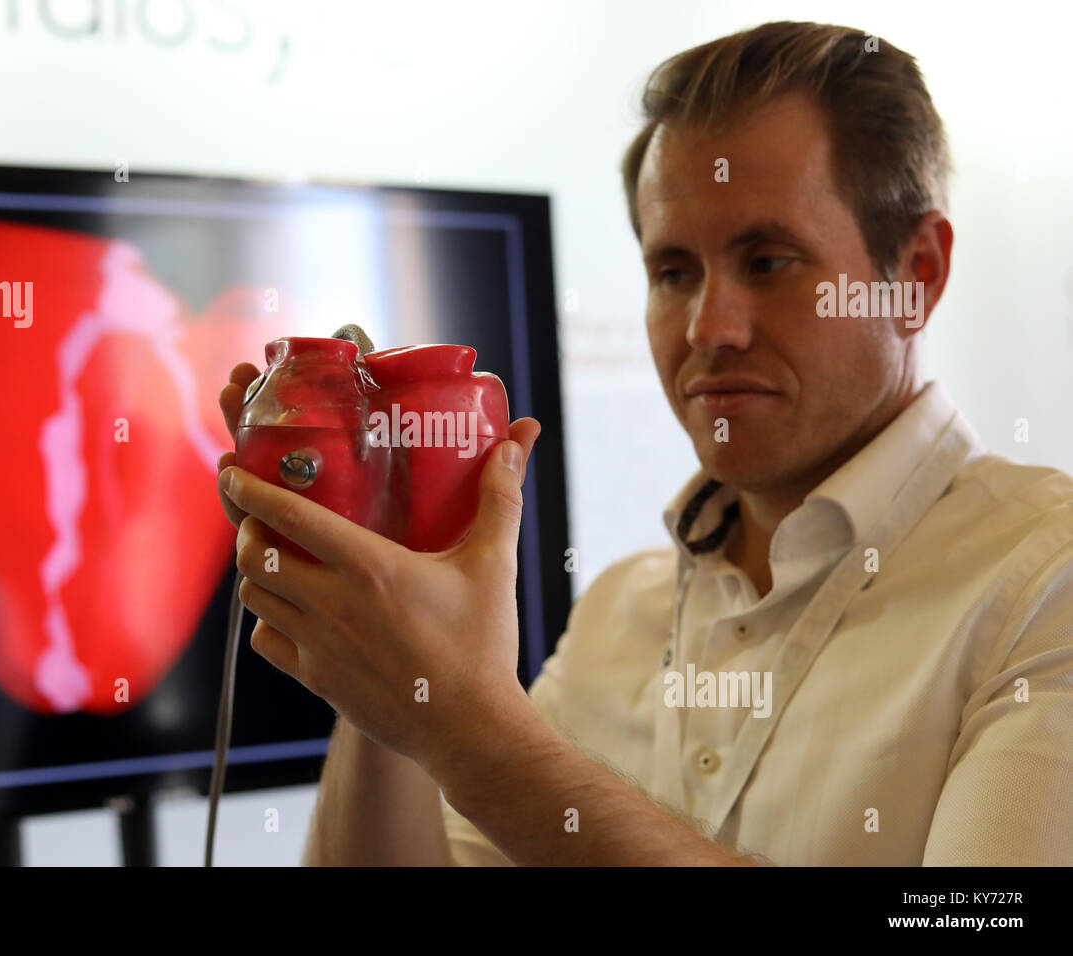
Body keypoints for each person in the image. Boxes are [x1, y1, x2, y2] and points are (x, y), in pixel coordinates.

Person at [214, 20, 1073, 865]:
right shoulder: (619, 613)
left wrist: (469, 726)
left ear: (915, 273)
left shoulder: (1046, 582)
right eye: (673, 272)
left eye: (768, 260)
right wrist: (389, 654)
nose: (710, 327)